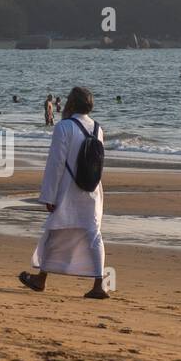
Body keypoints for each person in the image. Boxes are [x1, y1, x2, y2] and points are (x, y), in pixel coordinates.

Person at [19, 86, 108, 299]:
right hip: (92, 189)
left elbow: (56, 164)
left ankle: (41, 279)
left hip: (68, 189)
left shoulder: (64, 127)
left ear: (71, 103)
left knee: (54, 231)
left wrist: (48, 196)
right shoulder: (98, 128)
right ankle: (99, 284)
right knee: (93, 234)